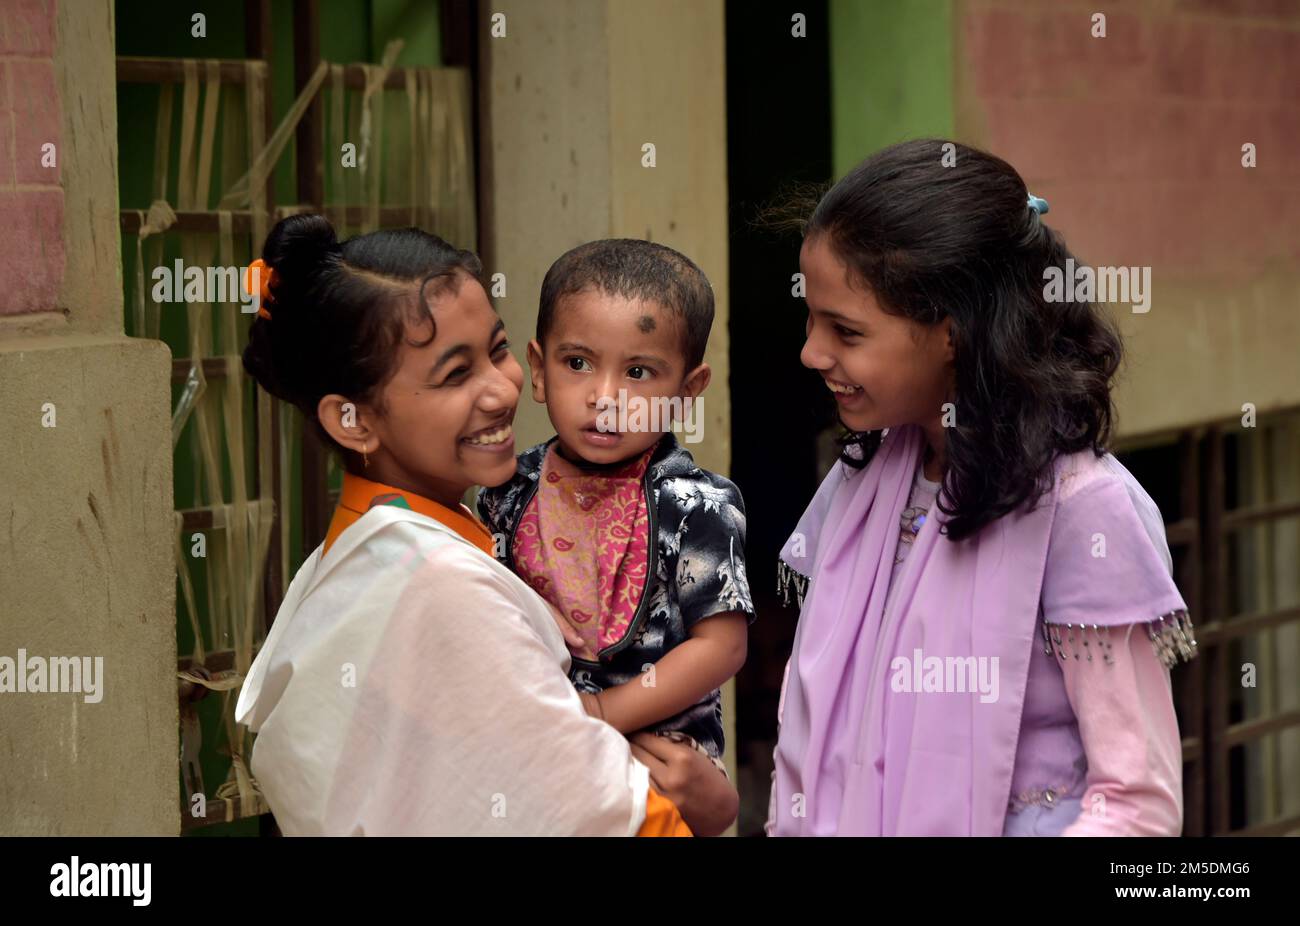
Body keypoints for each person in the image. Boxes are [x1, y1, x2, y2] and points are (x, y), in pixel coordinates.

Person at [233, 214, 737, 835]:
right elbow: (598, 815)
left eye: (495, 351)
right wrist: (708, 813)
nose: (501, 390)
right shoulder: (442, 583)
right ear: (354, 421)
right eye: (454, 374)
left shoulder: (381, 549)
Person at [767, 140, 1197, 837]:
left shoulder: (1084, 512)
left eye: (845, 330)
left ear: (953, 333)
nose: (812, 354)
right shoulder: (866, 481)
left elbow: (1137, 806)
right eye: (811, 320)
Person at [478, 239, 753, 775]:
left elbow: (721, 648)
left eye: (638, 373)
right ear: (538, 369)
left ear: (687, 391)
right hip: (530, 757)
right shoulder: (507, 491)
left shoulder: (698, 507)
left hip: (660, 767)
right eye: (577, 363)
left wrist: (603, 712)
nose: (604, 397)